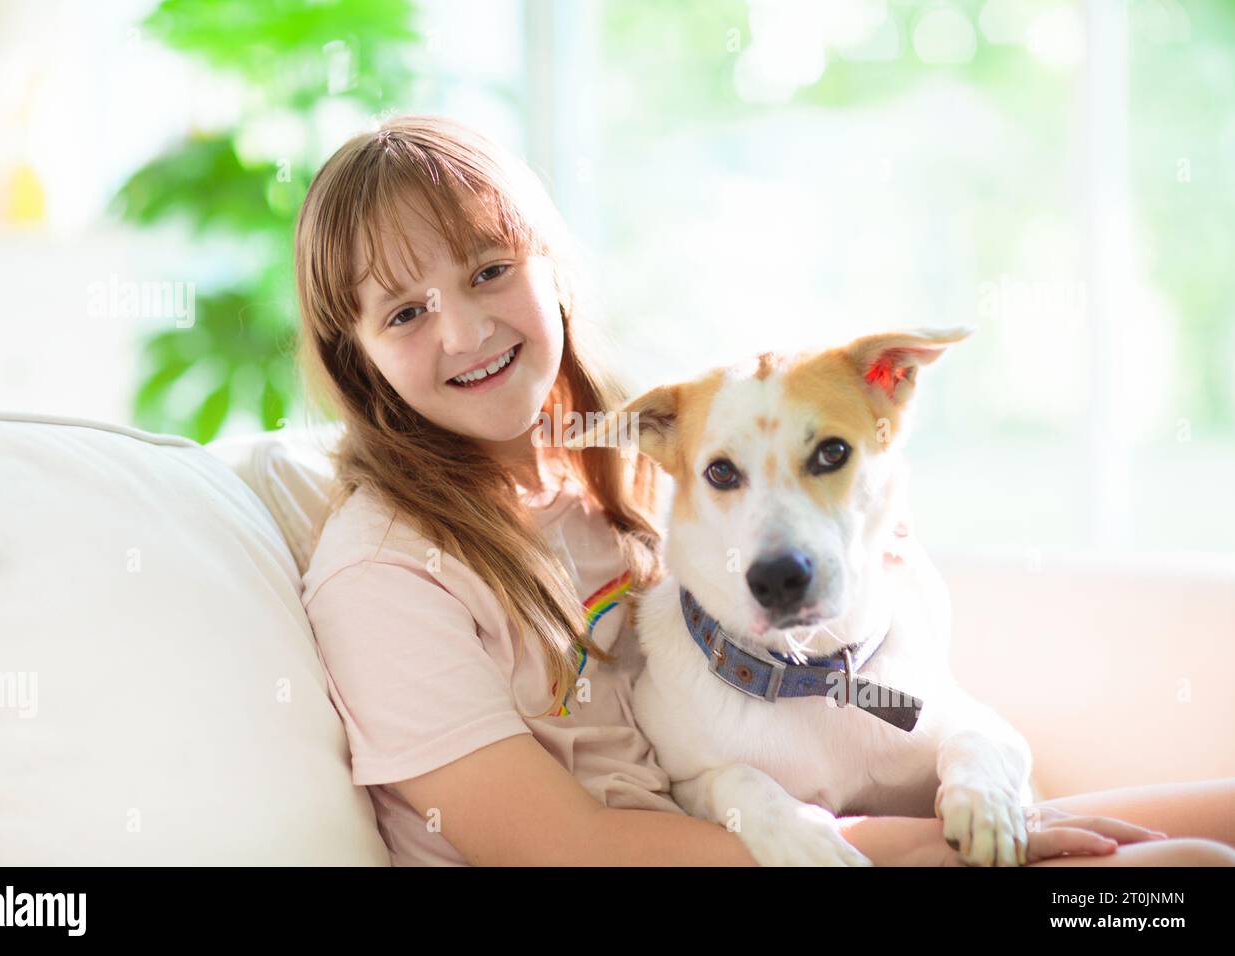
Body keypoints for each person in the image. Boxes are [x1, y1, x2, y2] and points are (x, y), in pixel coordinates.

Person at [293, 113, 1235, 867]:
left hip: (814, 819)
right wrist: (891, 842)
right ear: (357, 357)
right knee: (1180, 874)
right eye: (406, 311)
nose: (462, 331)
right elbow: (562, 848)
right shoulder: (383, 576)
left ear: (552, 274)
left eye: (489, 271)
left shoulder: (612, 468)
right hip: (729, 851)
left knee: (1219, 818)